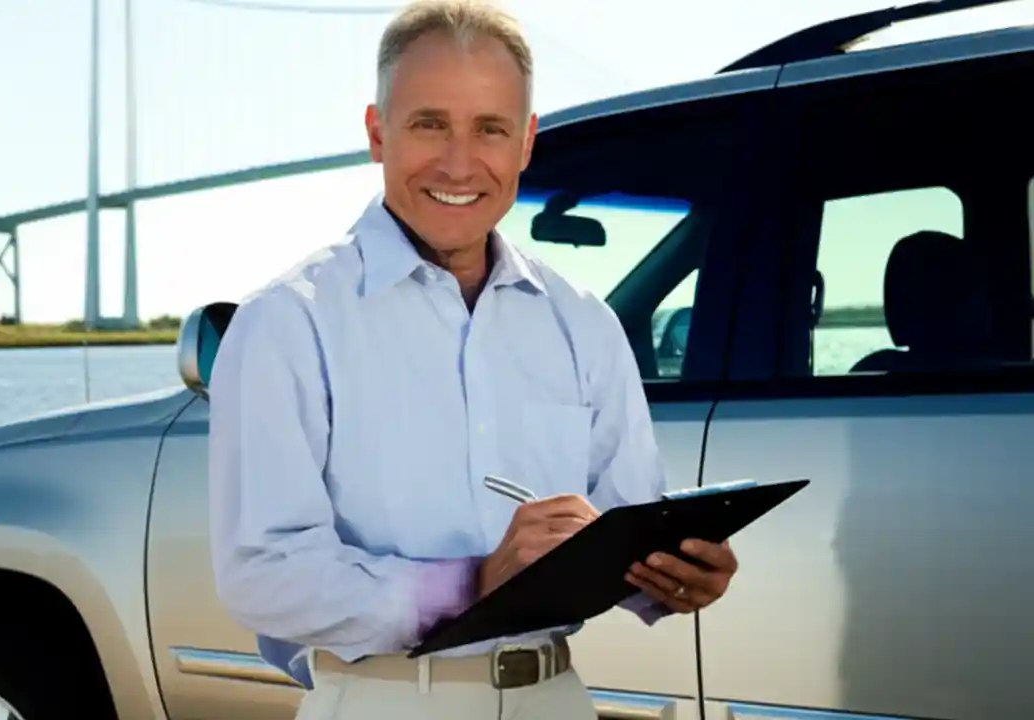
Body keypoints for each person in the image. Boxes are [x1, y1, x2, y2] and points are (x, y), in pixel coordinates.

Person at [206, 1, 740, 717]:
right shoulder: (287, 322)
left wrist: (671, 578)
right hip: (383, 702)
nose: (459, 164)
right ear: (376, 133)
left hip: (555, 700)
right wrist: (474, 583)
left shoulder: (584, 323)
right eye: (430, 124)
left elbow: (621, 526)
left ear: (524, 143)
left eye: (490, 129)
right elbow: (260, 574)